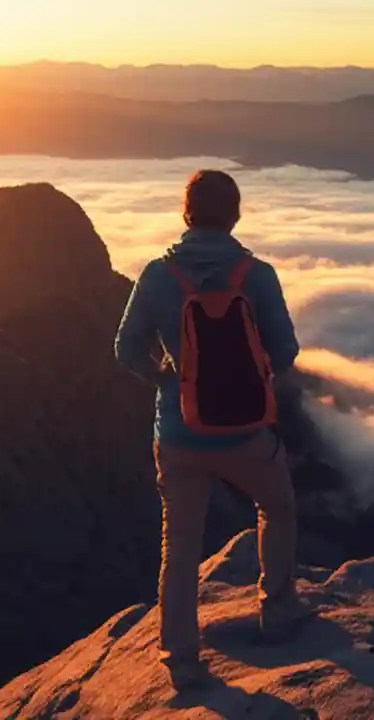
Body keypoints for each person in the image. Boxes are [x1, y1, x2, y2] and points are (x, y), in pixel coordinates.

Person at [114, 170, 312, 690]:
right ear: (235, 215)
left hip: (179, 436)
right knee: (279, 506)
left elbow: (124, 349)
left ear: (186, 215)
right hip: (247, 432)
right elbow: (287, 351)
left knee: (179, 546)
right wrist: (250, 375)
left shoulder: (157, 276)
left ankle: (181, 657)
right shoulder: (258, 275)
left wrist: (166, 379)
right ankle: (278, 610)